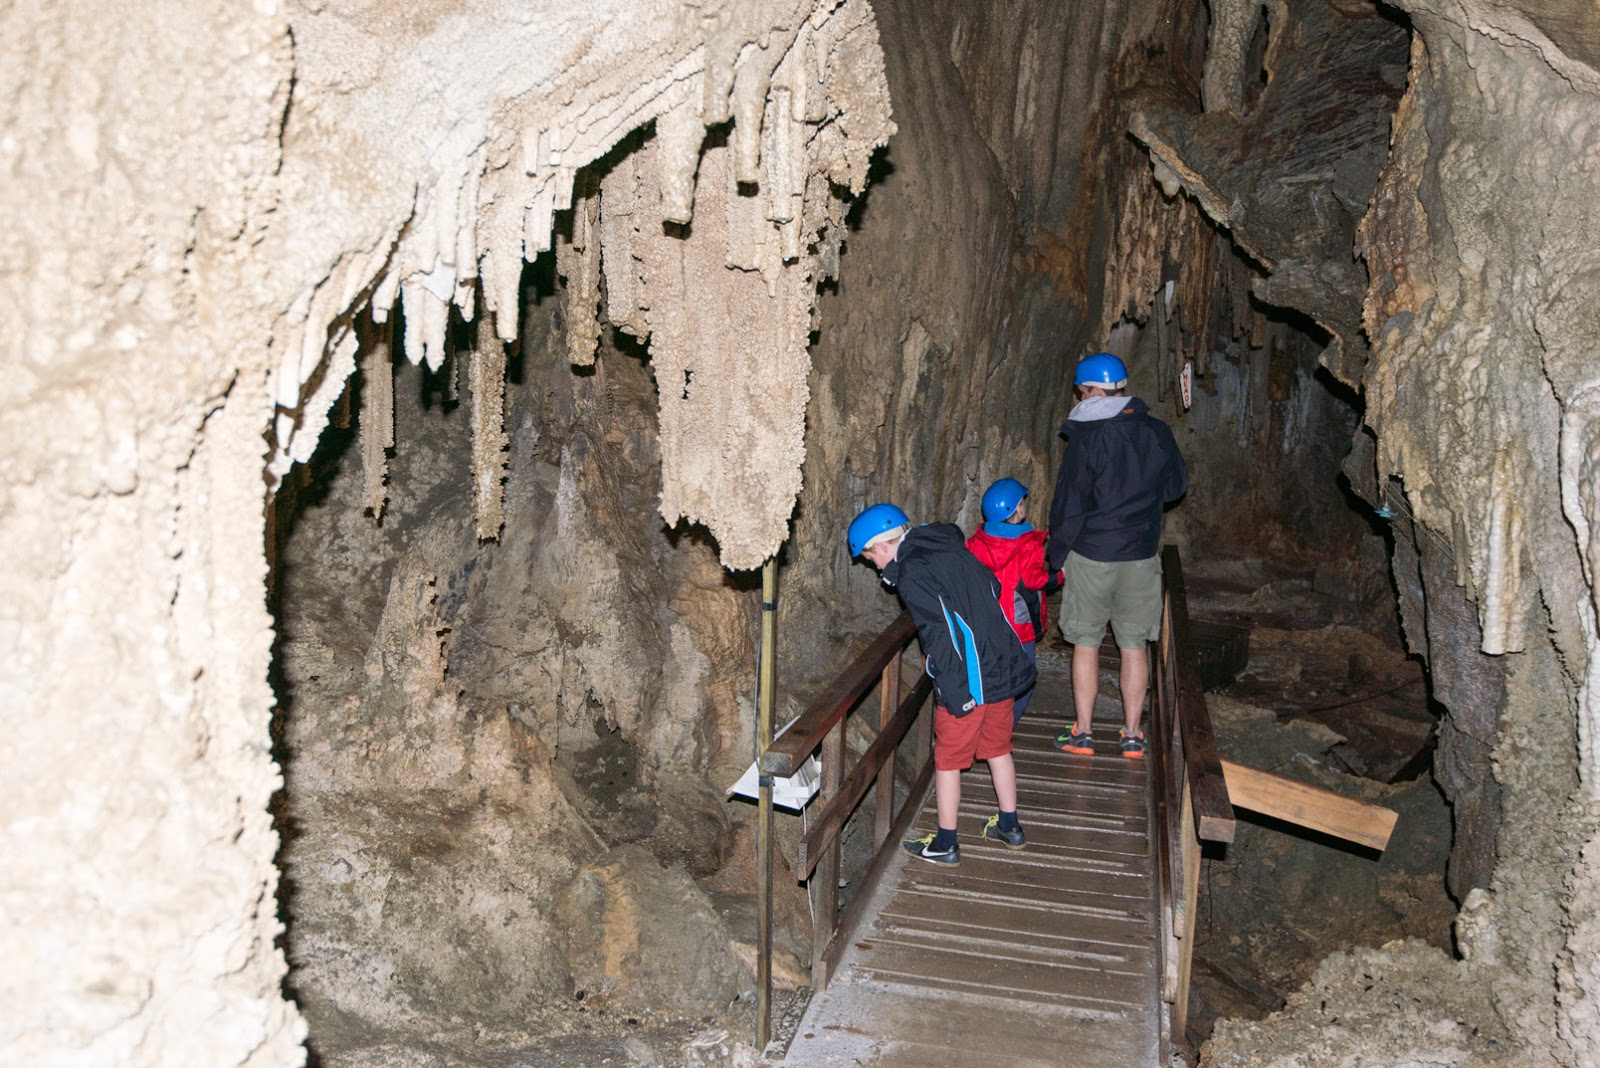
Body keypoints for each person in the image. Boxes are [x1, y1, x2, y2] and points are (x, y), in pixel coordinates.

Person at [848, 503, 1037, 864]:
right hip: (1002, 667)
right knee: (998, 747)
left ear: (881, 546)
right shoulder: (947, 546)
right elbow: (992, 587)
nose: (872, 564)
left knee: (948, 759)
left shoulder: (914, 573)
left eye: (869, 556)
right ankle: (1010, 826)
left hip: (969, 680)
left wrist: (956, 695)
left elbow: (941, 635)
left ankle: (946, 842)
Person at [1045, 353, 1187, 760]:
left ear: (1089, 390)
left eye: (1081, 390)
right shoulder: (1156, 431)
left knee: (1086, 644)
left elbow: (1069, 504)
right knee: (1134, 645)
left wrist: (1055, 557)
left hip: (1091, 554)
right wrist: (1139, 505)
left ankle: (1084, 733)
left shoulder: (1087, 437)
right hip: (1140, 554)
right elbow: (1176, 485)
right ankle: (1131, 735)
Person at [966, 478, 1061, 723]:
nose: (1025, 505)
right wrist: (1059, 576)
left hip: (987, 623)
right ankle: (1005, 727)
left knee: (992, 675)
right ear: (1017, 509)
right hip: (1019, 626)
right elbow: (1034, 580)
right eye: (1022, 502)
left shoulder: (976, 542)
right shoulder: (1027, 544)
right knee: (1024, 677)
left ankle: (986, 724)